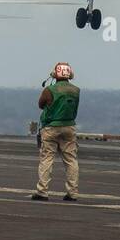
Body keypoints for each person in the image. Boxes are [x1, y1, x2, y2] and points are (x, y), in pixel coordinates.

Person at [31, 61, 80, 202]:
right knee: (71, 160)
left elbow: (41, 105)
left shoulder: (49, 90)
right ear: (70, 75)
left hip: (51, 127)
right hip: (69, 127)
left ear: (54, 74)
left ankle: (42, 191)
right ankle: (73, 193)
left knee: (47, 159)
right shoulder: (76, 90)